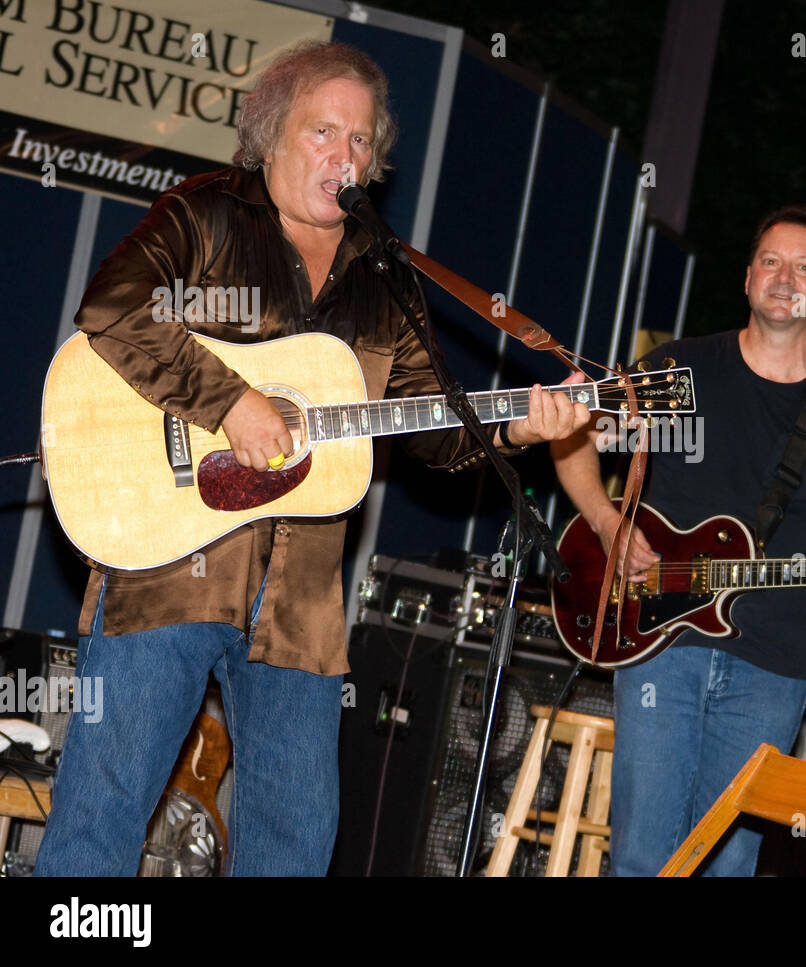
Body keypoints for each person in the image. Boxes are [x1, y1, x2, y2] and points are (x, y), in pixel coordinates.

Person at [35, 41, 585, 876]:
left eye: (361, 141)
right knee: (99, 826)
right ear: (270, 135)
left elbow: (435, 425)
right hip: (167, 564)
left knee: (296, 842)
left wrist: (520, 430)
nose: (346, 156)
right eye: (324, 132)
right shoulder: (207, 214)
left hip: (299, 603)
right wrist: (230, 401)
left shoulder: (383, 280)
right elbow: (113, 310)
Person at [550, 205, 806, 876]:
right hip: (661, 643)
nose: (787, 277)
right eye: (773, 262)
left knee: (729, 866)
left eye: (805, 266)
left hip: (772, 666)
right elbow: (572, 434)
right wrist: (610, 525)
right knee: (644, 855)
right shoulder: (680, 369)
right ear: (749, 277)